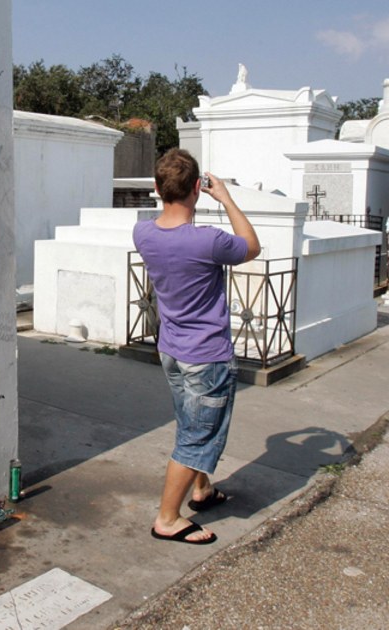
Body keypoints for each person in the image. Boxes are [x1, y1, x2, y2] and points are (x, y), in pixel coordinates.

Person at [133, 148, 260, 544]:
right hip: (205, 354)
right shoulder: (209, 241)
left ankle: (201, 489)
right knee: (197, 436)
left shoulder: (143, 232)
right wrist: (226, 198)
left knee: (191, 422)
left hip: (171, 348)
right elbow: (251, 246)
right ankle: (168, 518)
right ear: (196, 190)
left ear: (157, 189)